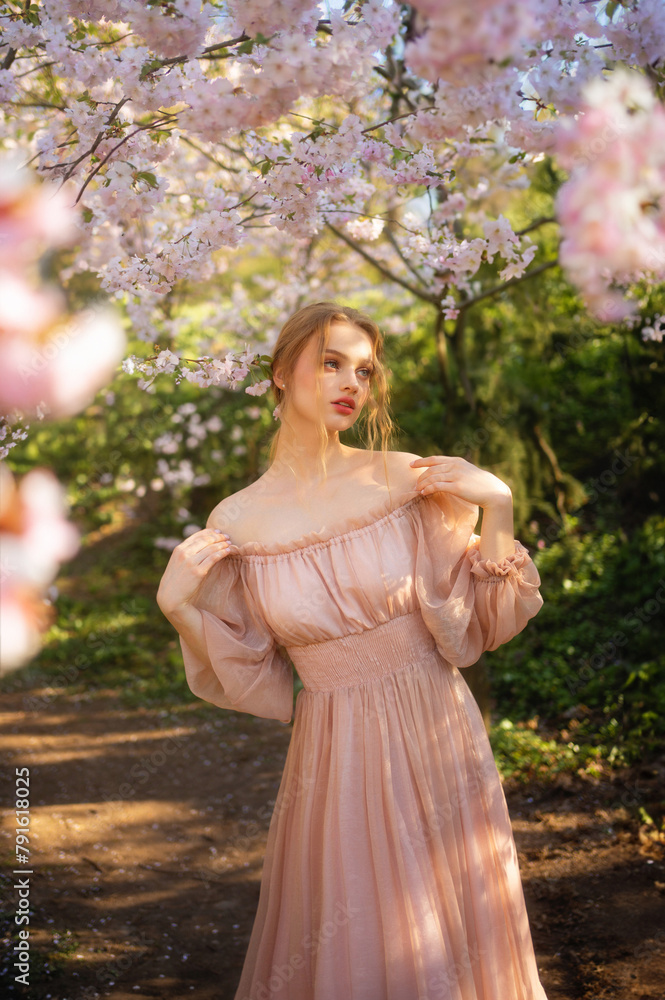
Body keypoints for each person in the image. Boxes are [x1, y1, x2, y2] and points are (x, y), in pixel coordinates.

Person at [156, 301, 548, 1000]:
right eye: (331, 363)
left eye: (363, 371)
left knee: (451, 920)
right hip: (333, 750)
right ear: (281, 373)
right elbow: (252, 672)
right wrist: (178, 607)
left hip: (436, 728)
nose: (350, 383)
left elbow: (484, 618)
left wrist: (500, 504)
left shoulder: (403, 478)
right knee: (359, 925)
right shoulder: (237, 522)